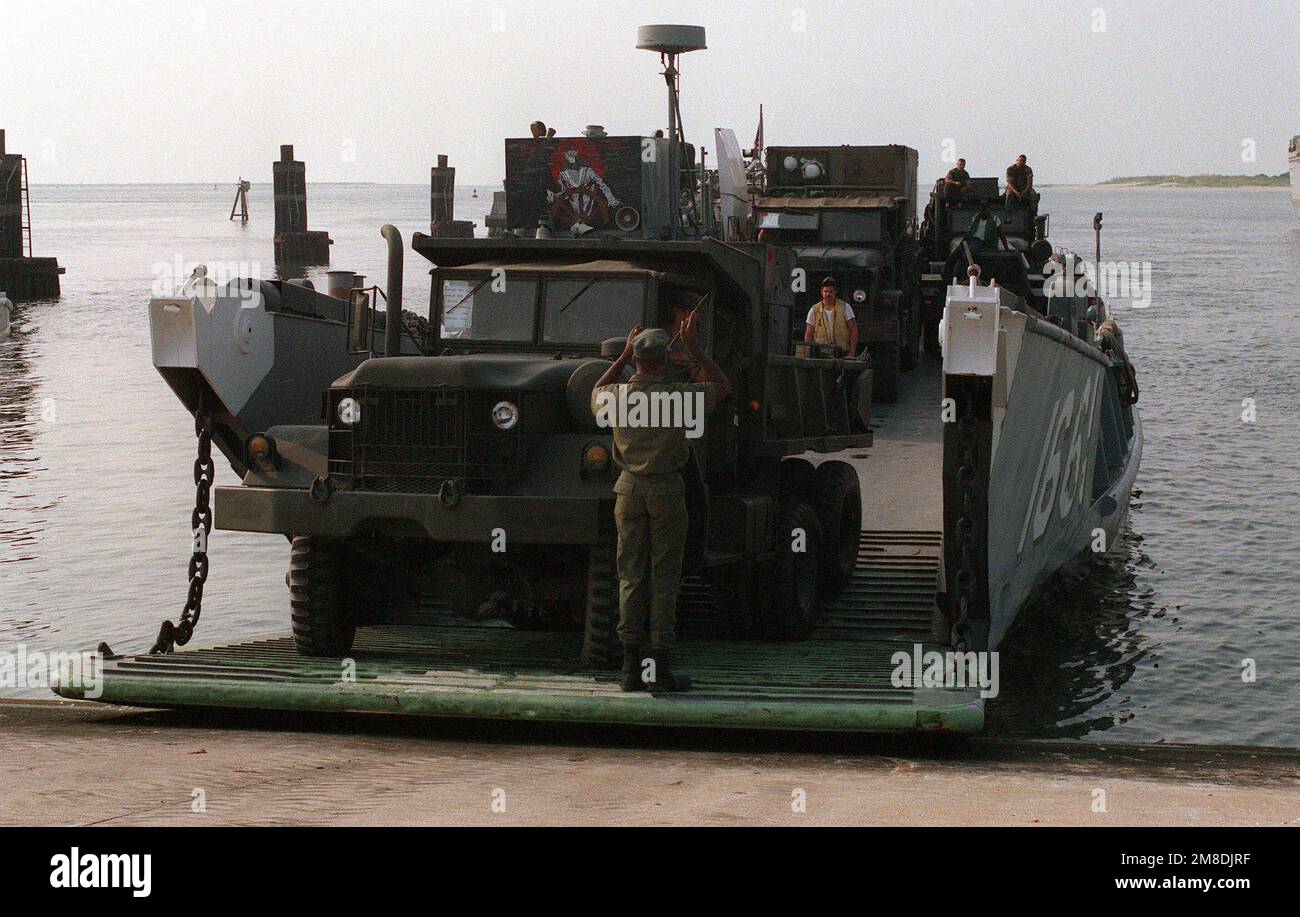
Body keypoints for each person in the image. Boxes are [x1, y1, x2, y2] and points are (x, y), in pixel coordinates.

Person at [591, 319, 733, 693]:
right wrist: (695, 348)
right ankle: (660, 669)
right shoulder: (679, 396)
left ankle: (628, 669)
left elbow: (596, 390)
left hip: (627, 492)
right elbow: (722, 387)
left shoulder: (617, 396)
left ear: (636, 358)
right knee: (664, 578)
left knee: (630, 577)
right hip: (668, 491)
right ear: (666, 358)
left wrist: (622, 355)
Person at [803, 277, 858, 355]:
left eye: (831, 291)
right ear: (821, 292)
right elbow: (808, 334)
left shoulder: (845, 307)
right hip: (821, 354)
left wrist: (851, 353)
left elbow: (854, 330)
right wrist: (808, 354)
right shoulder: (814, 310)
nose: (828, 294)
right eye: (825, 291)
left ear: (835, 292)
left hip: (842, 354)